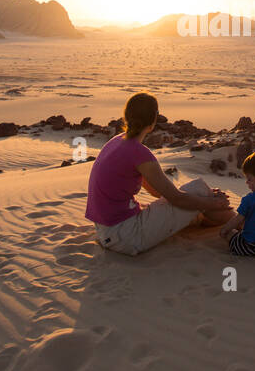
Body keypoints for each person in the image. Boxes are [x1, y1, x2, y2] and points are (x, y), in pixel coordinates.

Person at [87, 92, 233, 255]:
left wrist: (201, 201)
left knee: (199, 197)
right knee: (199, 189)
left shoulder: (116, 142)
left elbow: (155, 190)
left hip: (107, 231)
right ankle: (239, 223)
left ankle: (219, 215)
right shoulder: (139, 153)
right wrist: (213, 202)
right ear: (153, 120)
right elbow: (176, 198)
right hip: (125, 236)